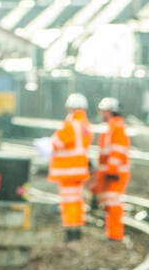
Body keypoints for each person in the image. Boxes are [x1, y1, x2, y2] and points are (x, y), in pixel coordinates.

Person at [48, 93, 91, 241]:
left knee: (68, 202)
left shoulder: (71, 124)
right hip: (79, 169)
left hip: (68, 171)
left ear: (70, 107)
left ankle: (70, 232)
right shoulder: (85, 124)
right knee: (77, 200)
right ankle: (77, 230)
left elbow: (55, 143)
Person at [92, 97, 130, 241]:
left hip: (115, 174)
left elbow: (117, 151)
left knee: (113, 203)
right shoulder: (111, 128)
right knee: (108, 203)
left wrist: (112, 170)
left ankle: (115, 235)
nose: (101, 114)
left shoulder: (117, 127)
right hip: (109, 173)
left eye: (103, 111)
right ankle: (112, 233)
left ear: (109, 112)